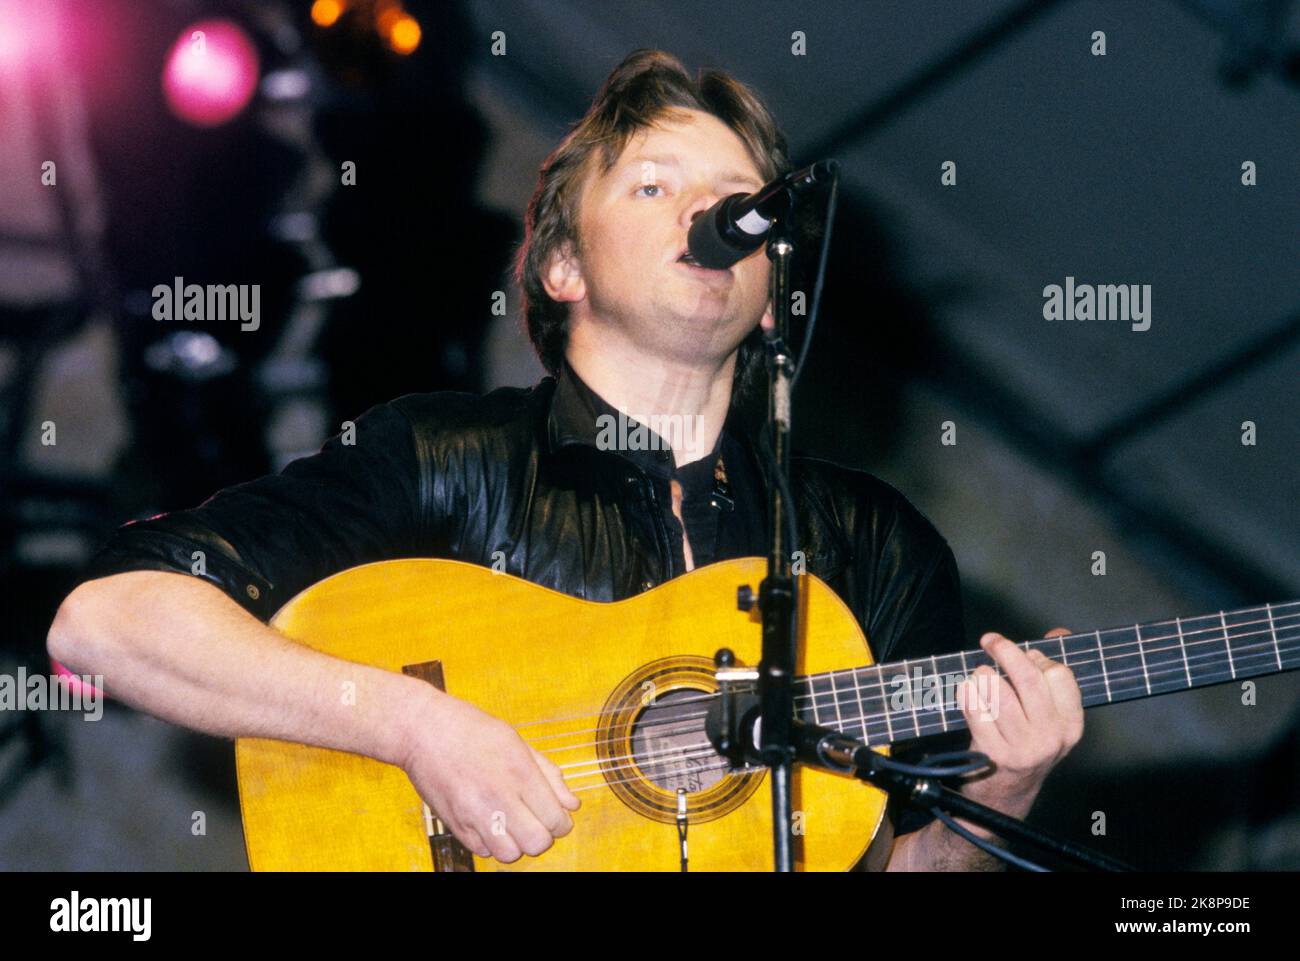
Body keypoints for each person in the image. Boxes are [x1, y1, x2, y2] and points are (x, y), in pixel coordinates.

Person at [47, 49, 1083, 871]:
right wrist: (415, 725)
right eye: (651, 187)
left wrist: (1003, 793)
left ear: (771, 291)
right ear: (563, 265)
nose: (710, 214)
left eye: (738, 196)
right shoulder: (445, 457)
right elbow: (105, 622)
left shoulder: (874, 544)